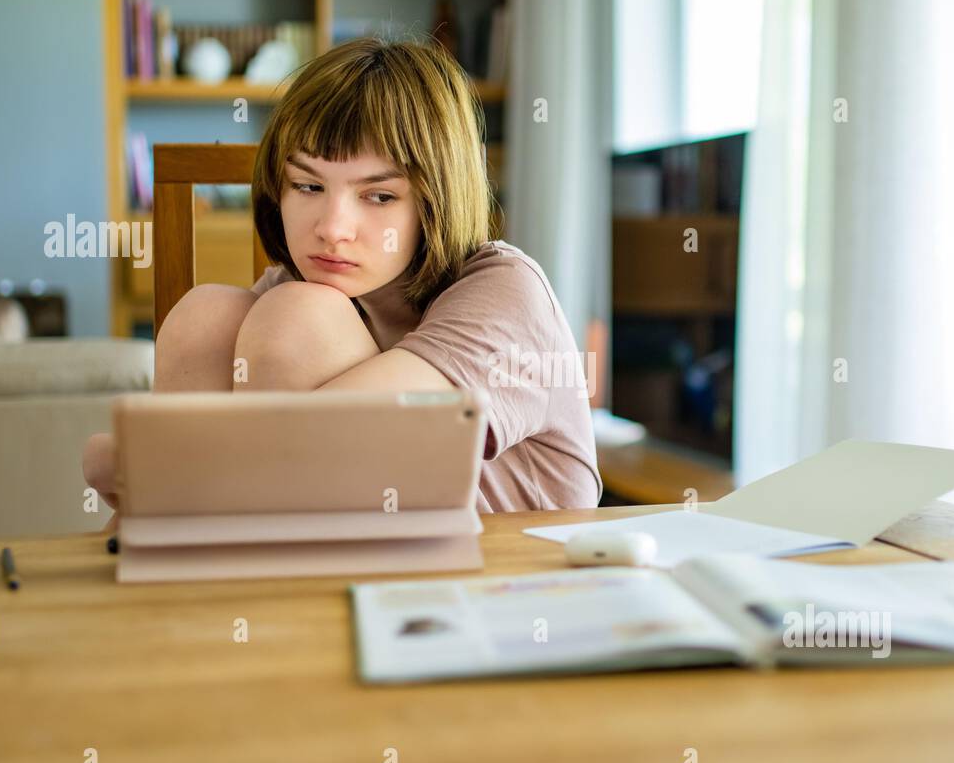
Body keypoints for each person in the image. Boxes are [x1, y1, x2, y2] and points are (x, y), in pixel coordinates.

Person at [83, 36, 601, 521]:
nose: (331, 229)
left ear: (435, 201)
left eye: (379, 196)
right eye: (308, 186)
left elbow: (318, 443)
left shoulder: (508, 292)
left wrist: (149, 466)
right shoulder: (302, 291)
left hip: (502, 587)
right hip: (347, 560)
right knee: (207, 314)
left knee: (296, 318)